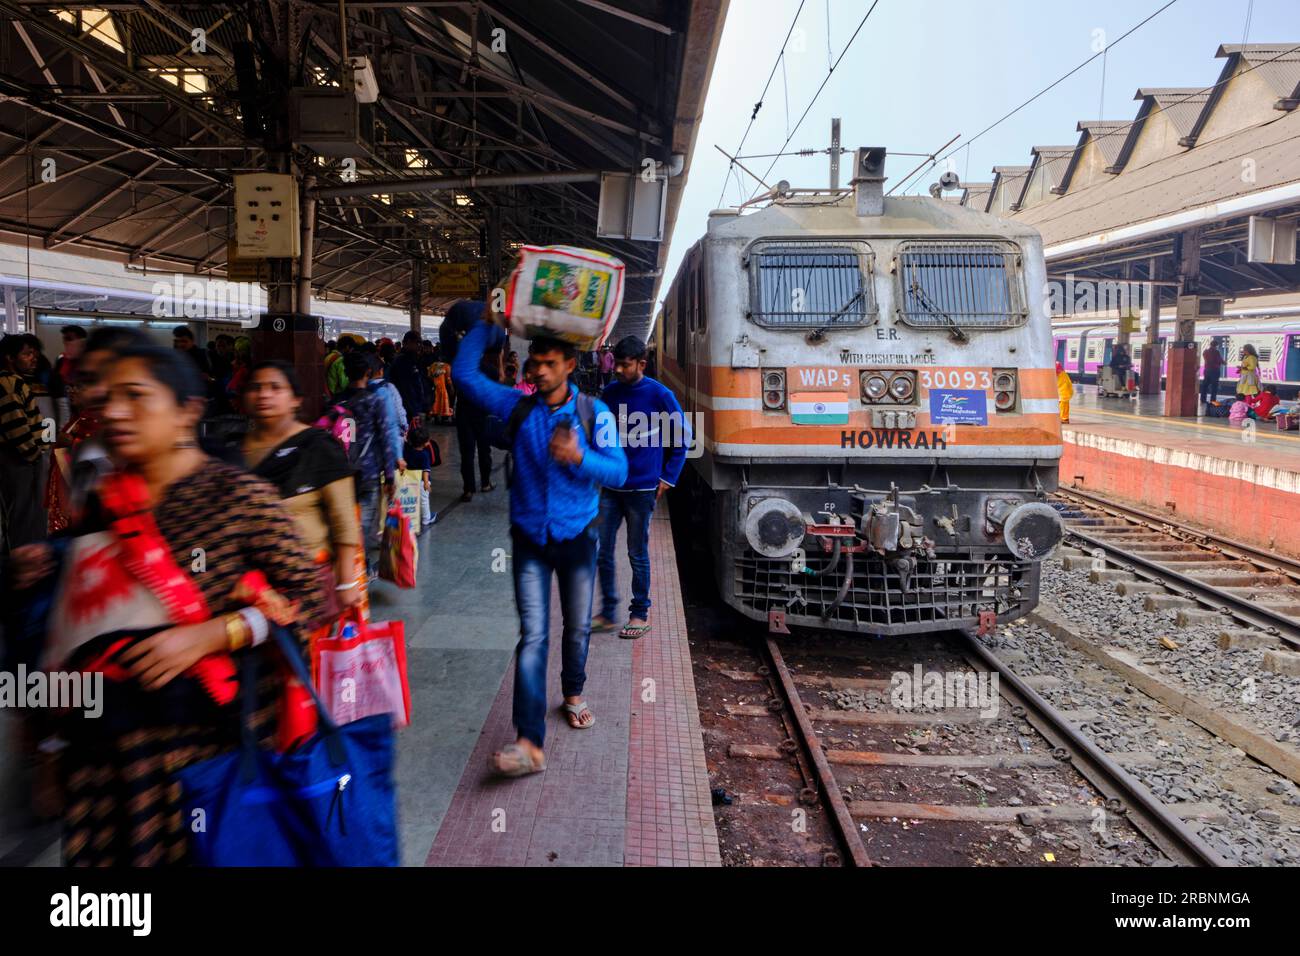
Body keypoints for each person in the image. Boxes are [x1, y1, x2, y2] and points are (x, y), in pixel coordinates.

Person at [10, 343, 324, 865]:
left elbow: (309, 599)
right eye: (109, 398)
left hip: (204, 764)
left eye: (136, 397)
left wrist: (214, 634)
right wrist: (48, 749)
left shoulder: (238, 496)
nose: (113, 412)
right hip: (102, 770)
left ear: (187, 411)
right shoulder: (104, 502)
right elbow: (69, 629)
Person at [452, 311, 626, 778]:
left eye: (548, 363)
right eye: (534, 362)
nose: (538, 371)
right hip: (528, 539)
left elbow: (619, 471)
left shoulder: (594, 414)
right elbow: (463, 375)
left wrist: (580, 456)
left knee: (576, 627)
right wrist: (490, 327)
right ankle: (529, 742)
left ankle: (573, 693)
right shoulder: (518, 407)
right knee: (533, 636)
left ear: (570, 364)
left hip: (578, 539)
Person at [233, 360, 364, 624]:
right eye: (256, 387)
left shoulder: (317, 447)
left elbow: (344, 519)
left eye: (275, 388)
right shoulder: (231, 452)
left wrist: (347, 582)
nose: (264, 395)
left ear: (295, 400)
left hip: (307, 583)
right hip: (246, 587)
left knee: (306, 661)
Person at [592, 335, 689, 640]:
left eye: (624, 364)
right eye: (616, 363)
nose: (618, 369)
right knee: (603, 550)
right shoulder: (609, 393)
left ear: (641, 364)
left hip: (642, 490)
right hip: (611, 487)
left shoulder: (660, 395)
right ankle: (608, 611)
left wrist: (667, 478)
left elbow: (682, 439)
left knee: (637, 552)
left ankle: (640, 612)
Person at [337, 352, 396, 580]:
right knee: (362, 524)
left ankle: (347, 566)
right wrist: (389, 477)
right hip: (368, 471)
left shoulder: (335, 402)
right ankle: (359, 568)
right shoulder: (374, 401)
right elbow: (386, 439)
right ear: (368, 374)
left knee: (343, 520)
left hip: (340, 473)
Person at [442, 301, 503, 502]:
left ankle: (468, 489)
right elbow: (500, 379)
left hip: (463, 413)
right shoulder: (489, 371)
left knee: (466, 452)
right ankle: (485, 483)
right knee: (484, 450)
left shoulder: (459, 372)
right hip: (482, 414)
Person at [0, 333, 48, 552]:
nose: (33, 359)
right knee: (24, 512)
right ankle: (24, 556)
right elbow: (16, 425)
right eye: (27, 354)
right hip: (18, 459)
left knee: (21, 511)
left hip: (19, 457)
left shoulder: (16, 382)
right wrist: (35, 456)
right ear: (10, 357)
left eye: (34, 354)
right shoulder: (10, 384)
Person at [389, 329, 434, 425]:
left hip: (413, 408)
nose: (419, 346)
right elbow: (406, 389)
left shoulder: (413, 360)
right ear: (408, 343)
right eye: (417, 343)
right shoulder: (402, 362)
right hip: (406, 409)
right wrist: (413, 411)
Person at [403, 421, 438, 531]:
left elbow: (405, 442)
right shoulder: (424, 455)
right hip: (422, 482)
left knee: (410, 499)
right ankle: (426, 519)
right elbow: (426, 471)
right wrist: (426, 483)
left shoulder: (407, 451)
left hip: (410, 480)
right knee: (424, 500)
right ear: (425, 443)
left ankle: (408, 518)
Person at [427, 346, 454, 423]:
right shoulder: (446, 366)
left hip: (435, 387)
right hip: (443, 387)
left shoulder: (433, 365)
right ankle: (443, 418)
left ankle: (436, 418)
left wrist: (435, 381)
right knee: (443, 402)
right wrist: (451, 387)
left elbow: (429, 375)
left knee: (435, 402)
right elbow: (448, 379)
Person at [1201, 340, 1223, 405]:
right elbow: (1219, 360)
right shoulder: (1216, 352)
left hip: (1207, 370)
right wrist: (1223, 362)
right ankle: (1212, 401)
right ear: (1216, 346)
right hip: (1214, 371)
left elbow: (1207, 359)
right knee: (1214, 387)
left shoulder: (1205, 351)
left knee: (1205, 386)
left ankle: (1203, 399)